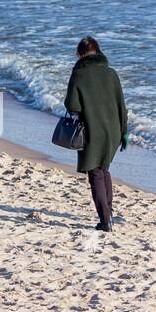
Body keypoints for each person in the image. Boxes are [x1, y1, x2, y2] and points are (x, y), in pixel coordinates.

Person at [64, 36, 127, 231]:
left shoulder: (79, 75)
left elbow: (72, 105)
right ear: (98, 51)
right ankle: (109, 213)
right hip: (114, 130)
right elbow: (122, 106)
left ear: (79, 54)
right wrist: (124, 132)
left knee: (95, 173)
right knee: (103, 169)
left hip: (92, 129)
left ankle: (105, 220)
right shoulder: (111, 73)